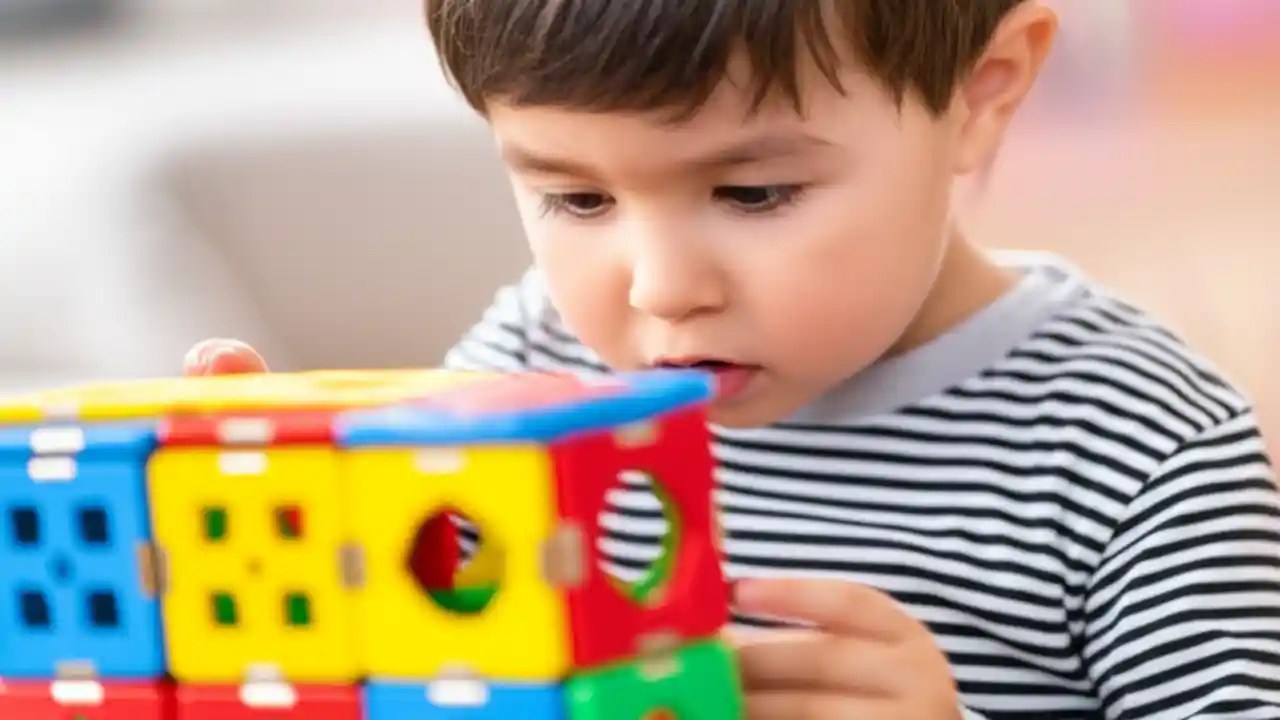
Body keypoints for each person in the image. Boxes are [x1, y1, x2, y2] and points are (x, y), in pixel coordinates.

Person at [184, 1, 1280, 717]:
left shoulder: (1132, 439)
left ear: (980, 94)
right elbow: (423, 638)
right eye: (576, 197)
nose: (659, 288)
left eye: (752, 192)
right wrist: (279, 542)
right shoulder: (534, 366)